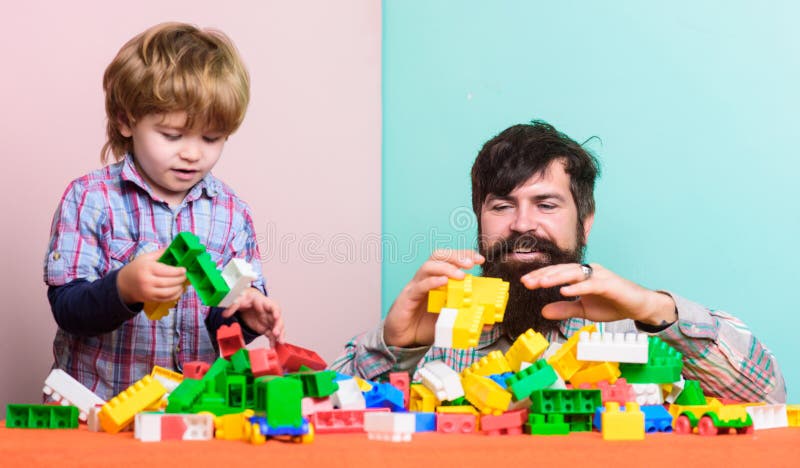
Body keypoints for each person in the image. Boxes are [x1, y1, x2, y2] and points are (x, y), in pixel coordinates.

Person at [331, 120, 786, 404]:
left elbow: (766, 395)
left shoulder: (633, 332)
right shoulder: (434, 335)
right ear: (479, 222)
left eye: (546, 205)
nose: (522, 224)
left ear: (585, 224)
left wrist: (655, 311)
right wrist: (393, 345)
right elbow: (313, 411)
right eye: (501, 206)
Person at [44, 23, 284, 400]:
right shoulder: (90, 198)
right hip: (98, 407)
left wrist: (242, 315)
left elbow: (219, 318)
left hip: (188, 414)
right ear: (126, 121)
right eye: (172, 135)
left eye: (211, 138)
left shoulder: (232, 213)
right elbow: (68, 308)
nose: (192, 153)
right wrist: (124, 287)